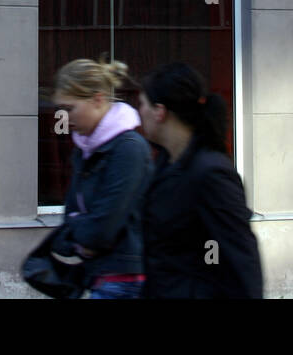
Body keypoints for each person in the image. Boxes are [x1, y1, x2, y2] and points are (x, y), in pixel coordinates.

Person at [137, 62, 263, 298]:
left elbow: (242, 258)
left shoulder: (210, 172)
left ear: (159, 111)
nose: (139, 112)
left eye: (142, 104)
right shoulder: (165, 163)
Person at [50, 57, 153, 299]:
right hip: (102, 276)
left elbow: (100, 230)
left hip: (127, 280)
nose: (65, 118)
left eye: (70, 108)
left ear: (98, 99)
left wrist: (80, 230)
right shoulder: (86, 149)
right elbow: (70, 220)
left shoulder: (128, 149)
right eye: (61, 110)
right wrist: (80, 232)